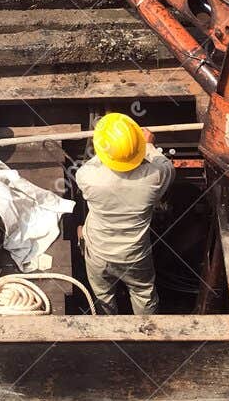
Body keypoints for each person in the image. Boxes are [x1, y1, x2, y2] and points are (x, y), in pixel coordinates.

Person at [73, 112, 174, 315]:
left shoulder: (87, 177)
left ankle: (111, 332)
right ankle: (147, 335)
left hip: (98, 253)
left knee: (103, 296)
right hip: (135, 255)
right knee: (143, 293)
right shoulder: (156, 177)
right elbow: (164, 163)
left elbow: (95, 161)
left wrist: (106, 144)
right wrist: (148, 146)